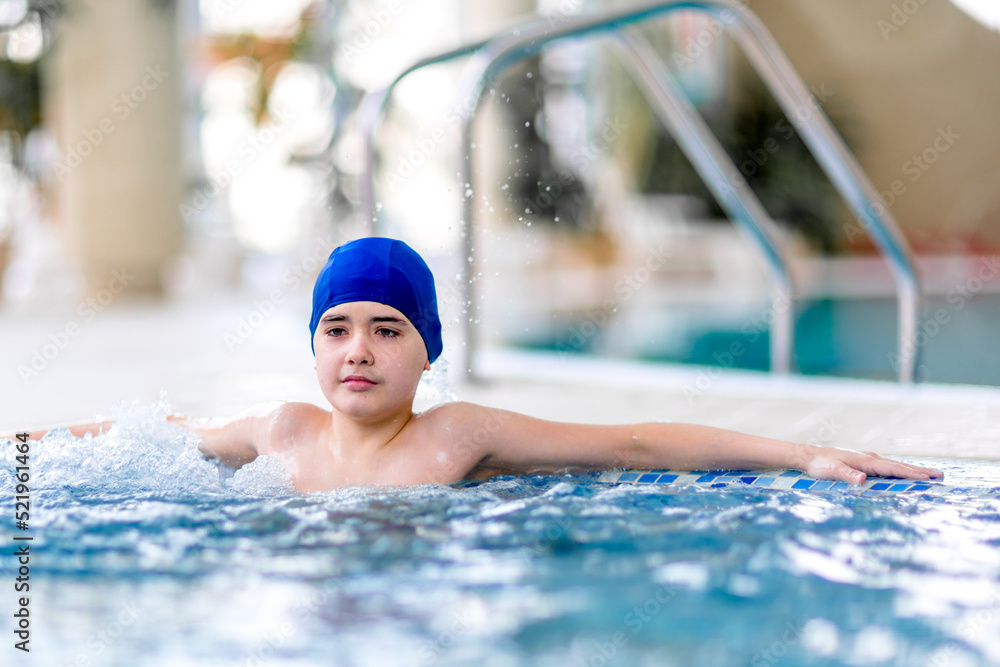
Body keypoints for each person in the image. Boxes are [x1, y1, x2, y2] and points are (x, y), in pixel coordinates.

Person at [8, 237, 941, 493]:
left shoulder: (458, 437)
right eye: (336, 329)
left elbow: (633, 441)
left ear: (426, 355)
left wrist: (801, 455)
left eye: (387, 329)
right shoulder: (282, 431)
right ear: (315, 348)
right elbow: (149, 439)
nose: (359, 349)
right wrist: (26, 443)